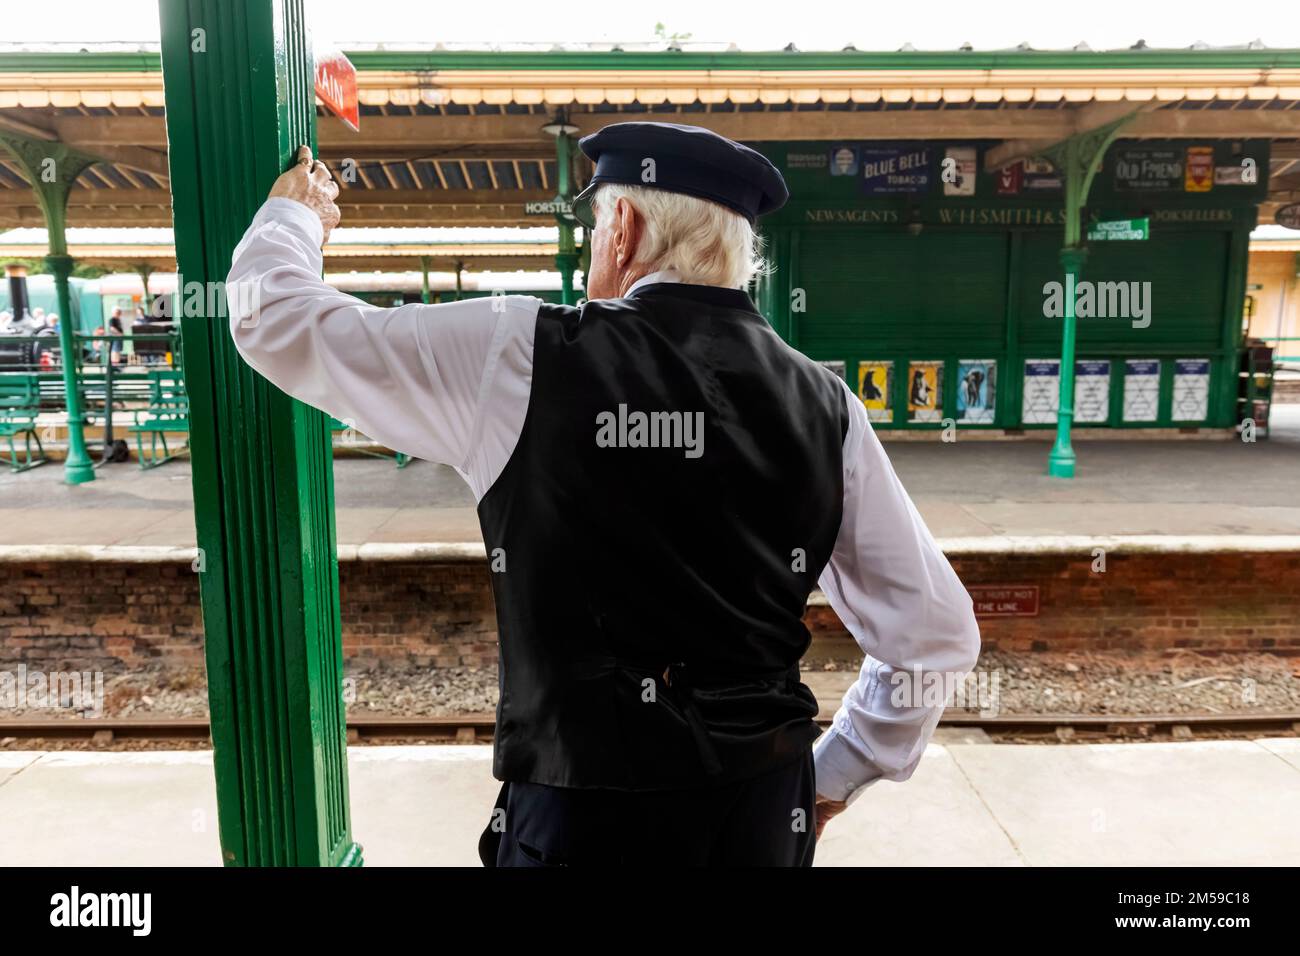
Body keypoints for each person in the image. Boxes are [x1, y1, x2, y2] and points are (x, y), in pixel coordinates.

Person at [226, 130, 980, 867]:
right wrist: (838, 772)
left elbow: (276, 320)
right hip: (759, 814)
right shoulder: (829, 405)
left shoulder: (518, 352)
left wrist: (297, 215)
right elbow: (934, 634)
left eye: (595, 226)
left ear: (623, 228)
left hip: (578, 818)